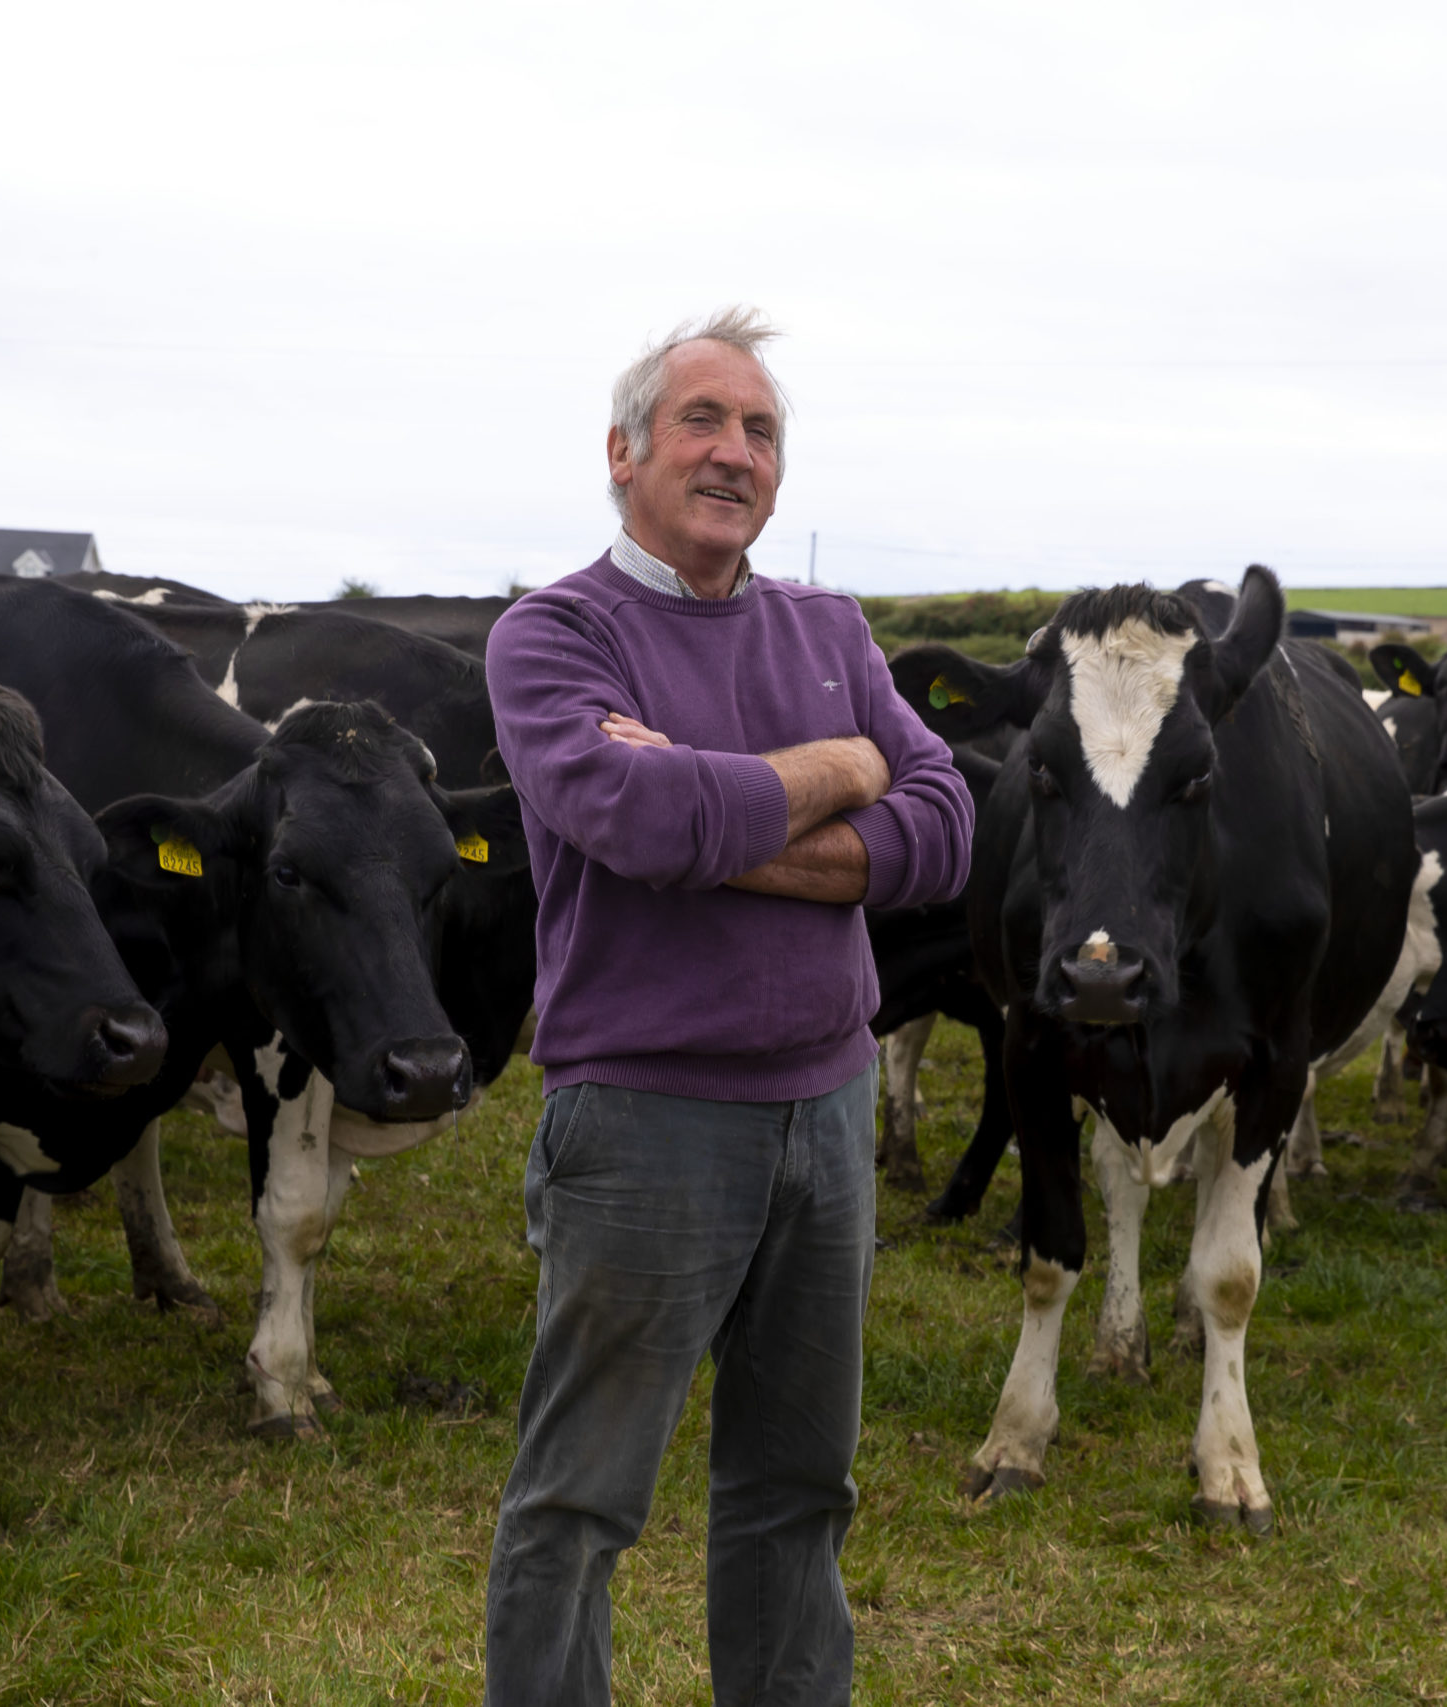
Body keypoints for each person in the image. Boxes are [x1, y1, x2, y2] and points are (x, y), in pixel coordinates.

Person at [480, 307, 974, 1705]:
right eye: (703, 420)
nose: (734, 453)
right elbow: (633, 817)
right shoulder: (554, 634)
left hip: (828, 1110)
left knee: (799, 1484)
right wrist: (842, 766)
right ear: (625, 452)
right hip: (645, 1117)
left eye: (760, 430)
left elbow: (945, 832)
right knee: (580, 1503)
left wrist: (723, 815)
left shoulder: (827, 624)